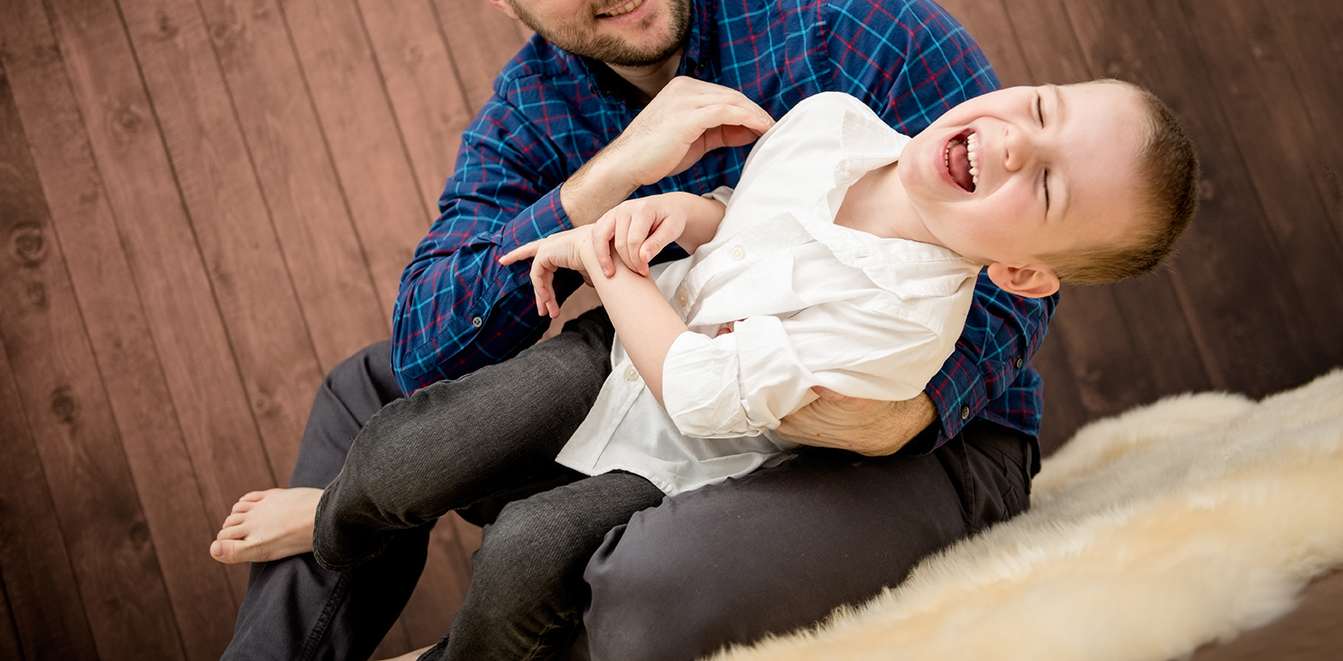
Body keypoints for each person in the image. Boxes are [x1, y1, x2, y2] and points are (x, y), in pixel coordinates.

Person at [205, 0, 1132, 661]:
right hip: (654, 391)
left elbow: (1020, 280)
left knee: (641, 574)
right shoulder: (533, 112)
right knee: (372, 392)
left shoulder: (844, 18)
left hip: (912, 443)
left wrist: (902, 414)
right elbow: (425, 349)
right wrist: (603, 182)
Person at [301, 83, 1198, 660]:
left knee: (525, 552)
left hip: (686, 451)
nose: (1010, 146)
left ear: (1023, 274)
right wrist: (676, 217)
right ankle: (338, 519)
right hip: (628, 345)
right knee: (403, 453)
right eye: (1039, 111)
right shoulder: (835, 124)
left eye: (1044, 186)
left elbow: (700, 390)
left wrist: (607, 269)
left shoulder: (905, 329)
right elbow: (741, 216)